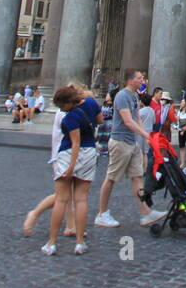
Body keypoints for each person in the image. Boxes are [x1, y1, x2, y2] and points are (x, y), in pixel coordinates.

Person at [93, 70, 167, 229]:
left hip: (132, 142)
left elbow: (137, 118)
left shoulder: (134, 96)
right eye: (140, 78)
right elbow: (127, 121)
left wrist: (146, 135)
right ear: (131, 80)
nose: (143, 80)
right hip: (120, 142)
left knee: (137, 176)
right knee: (111, 178)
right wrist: (145, 135)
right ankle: (102, 213)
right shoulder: (122, 96)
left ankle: (145, 212)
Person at [42, 85, 100, 256]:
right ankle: (80, 243)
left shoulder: (69, 118)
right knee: (81, 200)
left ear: (68, 102)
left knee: (61, 200)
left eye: (61, 106)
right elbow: (100, 120)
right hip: (90, 152)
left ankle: (52, 243)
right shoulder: (90, 103)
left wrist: (70, 167)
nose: (61, 110)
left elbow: (75, 142)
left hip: (70, 155)